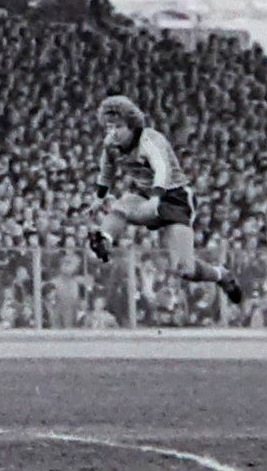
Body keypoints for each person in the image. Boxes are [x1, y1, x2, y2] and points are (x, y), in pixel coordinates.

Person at [85, 95, 245, 311]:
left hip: (174, 198)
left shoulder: (150, 140)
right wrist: (99, 197)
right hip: (146, 195)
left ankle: (221, 275)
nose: (112, 132)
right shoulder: (110, 144)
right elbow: (107, 171)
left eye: (118, 127)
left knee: (184, 269)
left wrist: (157, 198)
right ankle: (104, 239)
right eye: (108, 127)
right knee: (121, 204)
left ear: (132, 126)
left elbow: (162, 169)